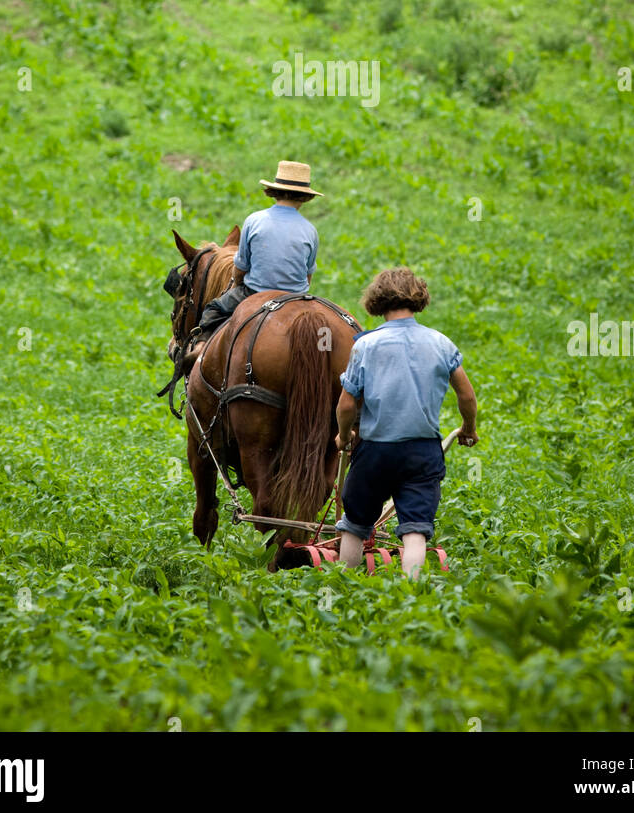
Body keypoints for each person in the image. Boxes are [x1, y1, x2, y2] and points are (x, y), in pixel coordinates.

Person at [334, 267, 478, 579]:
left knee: (355, 524)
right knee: (415, 529)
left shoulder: (365, 346)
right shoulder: (441, 343)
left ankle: (342, 585)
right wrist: (469, 428)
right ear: (418, 299)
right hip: (422, 450)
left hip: (374, 451)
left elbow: (347, 403)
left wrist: (344, 436)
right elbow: (466, 395)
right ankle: (411, 594)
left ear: (376, 301)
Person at [188, 160, 322, 353]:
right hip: (295, 298)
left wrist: (236, 284)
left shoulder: (254, 220)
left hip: (255, 292)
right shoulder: (310, 230)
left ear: (273, 191)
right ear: (305, 198)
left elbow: (241, 266)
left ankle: (200, 348)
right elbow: (307, 278)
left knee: (214, 309)